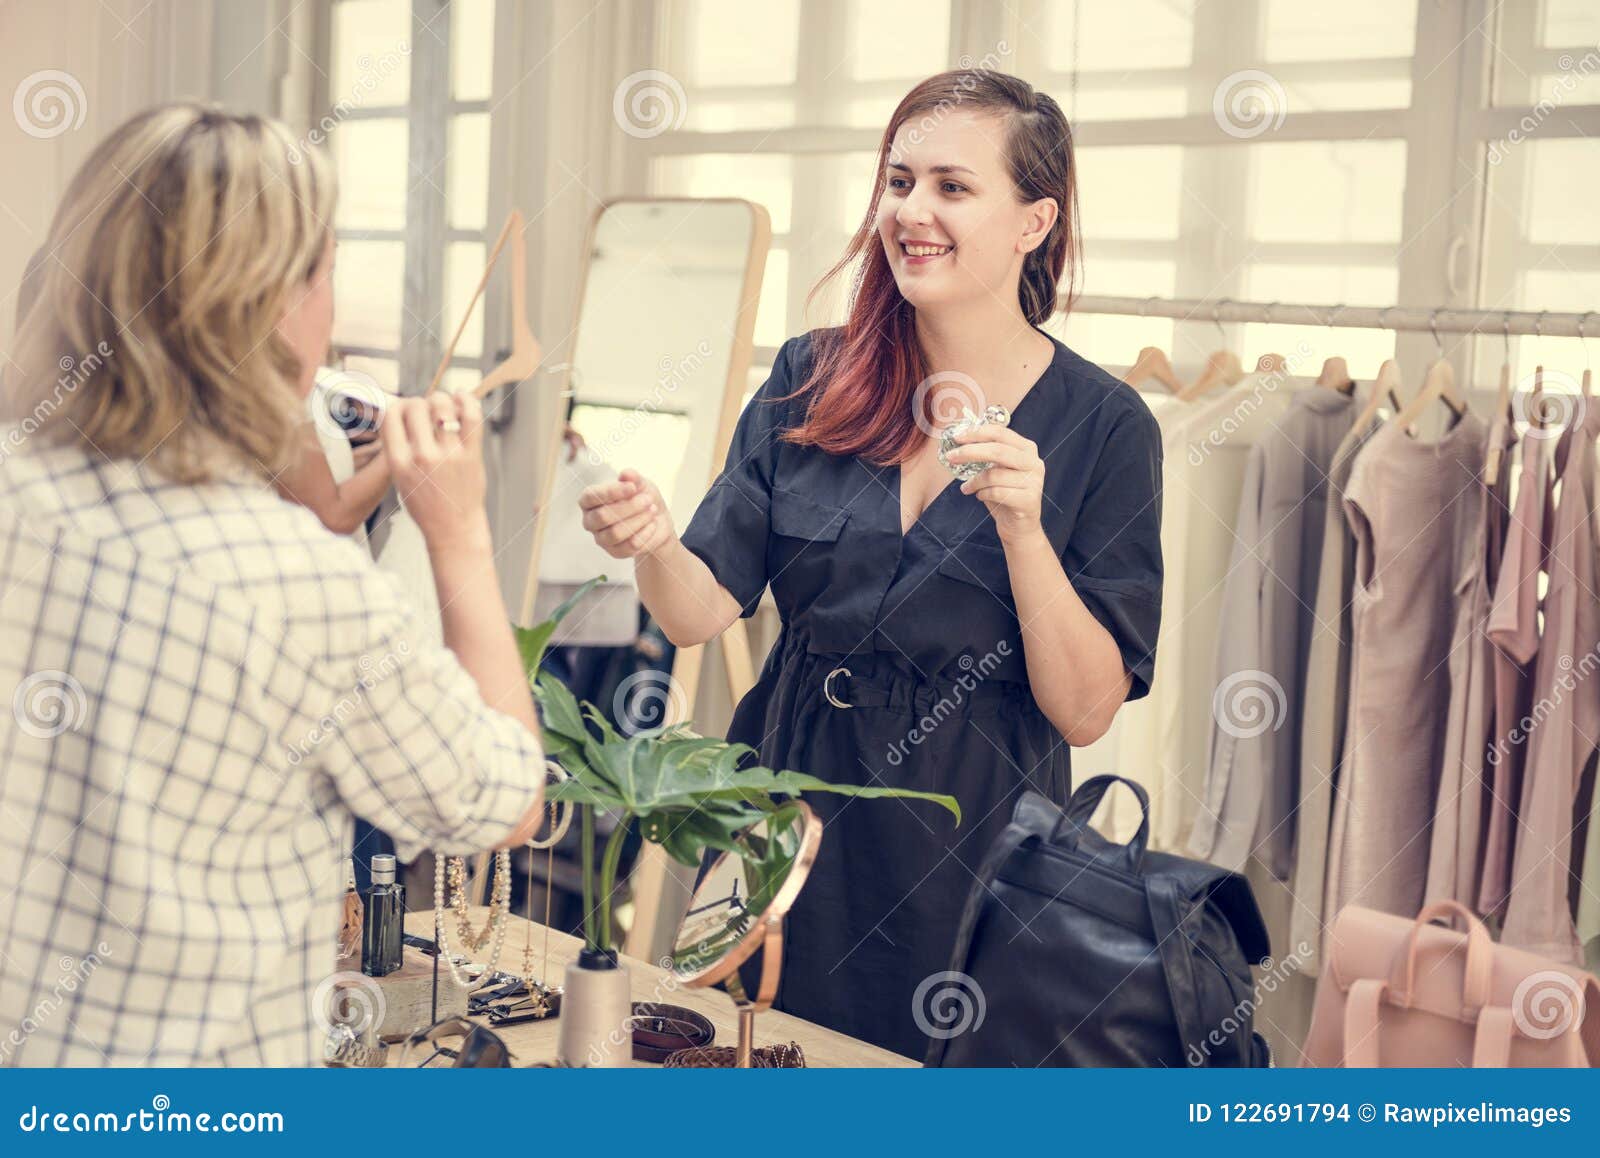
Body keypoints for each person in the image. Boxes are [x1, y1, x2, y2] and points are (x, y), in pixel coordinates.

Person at [579, 70, 1163, 1058]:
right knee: (753, 1063)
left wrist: (1024, 532)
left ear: (1034, 220)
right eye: (898, 181)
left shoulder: (1104, 426)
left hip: (973, 834)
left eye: (951, 186)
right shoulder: (811, 374)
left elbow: (1085, 709)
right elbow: (696, 612)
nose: (912, 212)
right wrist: (653, 543)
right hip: (783, 811)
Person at [0, 104, 547, 1066]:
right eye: (328, 272)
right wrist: (459, 535)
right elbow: (503, 805)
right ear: (271, 303)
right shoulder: (300, 586)